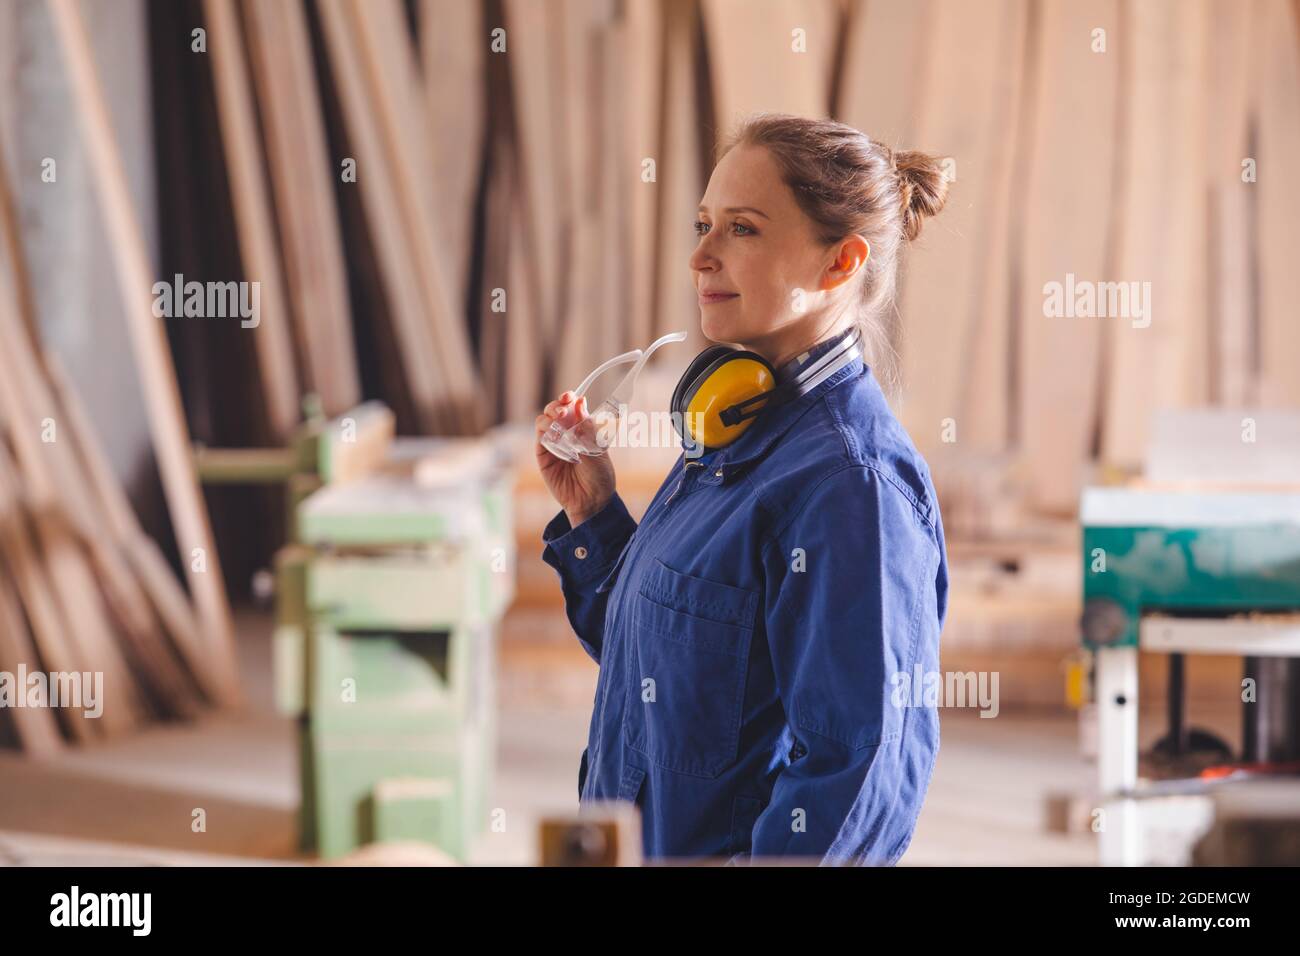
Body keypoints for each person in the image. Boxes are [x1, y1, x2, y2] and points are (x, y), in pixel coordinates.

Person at [534, 113, 950, 865]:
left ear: (839, 262)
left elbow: (860, 779)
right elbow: (670, 674)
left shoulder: (850, 489)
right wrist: (593, 511)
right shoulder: (732, 431)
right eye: (703, 224)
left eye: (742, 229)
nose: (699, 256)